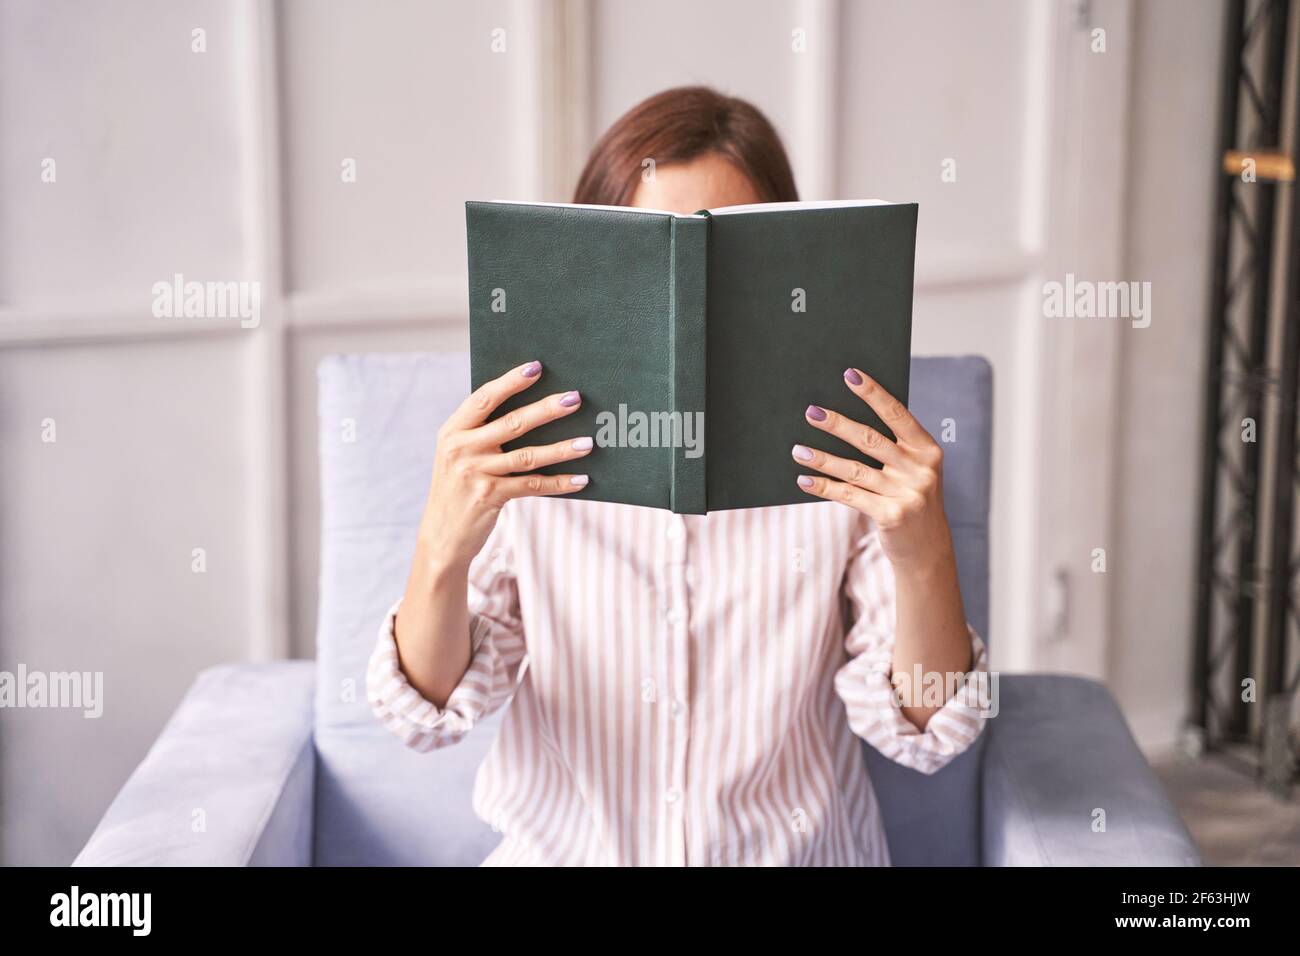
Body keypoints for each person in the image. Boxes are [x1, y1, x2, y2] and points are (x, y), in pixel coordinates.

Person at [367, 86, 988, 866]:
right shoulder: (528, 463)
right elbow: (424, 718)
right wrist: (440, 547)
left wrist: (924, 547)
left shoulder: (847, 467)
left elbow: (929, 732)